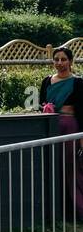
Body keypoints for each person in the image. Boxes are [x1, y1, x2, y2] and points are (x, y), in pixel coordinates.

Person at [41, 46, 83, 215]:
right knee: (53, 166)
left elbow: (82, 111)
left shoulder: (78, 83)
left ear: (71, 62)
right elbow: (40, 104)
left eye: (63, 59)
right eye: (56, 59)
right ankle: (57, 210)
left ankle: (77, 209)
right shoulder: (46, 81)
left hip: (69, 127)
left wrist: (81, 136)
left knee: (71, 168)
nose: (60, 63)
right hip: (51, 126)